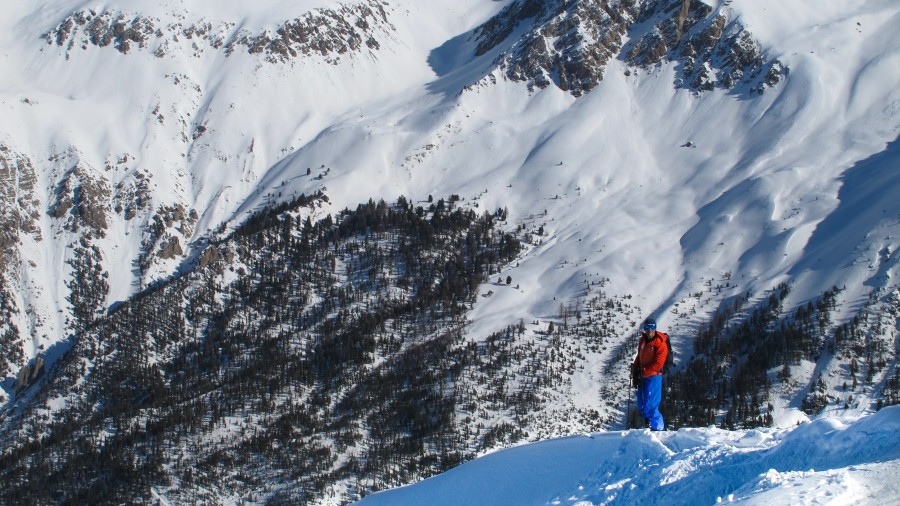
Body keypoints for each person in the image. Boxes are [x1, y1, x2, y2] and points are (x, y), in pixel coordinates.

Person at [631, 317, 668, 431]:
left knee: (651, 404)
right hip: (643, 376)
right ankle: (648, 425)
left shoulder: (660, 344)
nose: (649, 330)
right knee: (641, 403)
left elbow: (659, 364)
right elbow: (639, 357)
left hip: (654, 376)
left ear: (655, 328)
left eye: (652, 327)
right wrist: (635, 369)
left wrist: (644, 371)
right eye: (647, 327)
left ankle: (658, 428)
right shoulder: (643, 340)